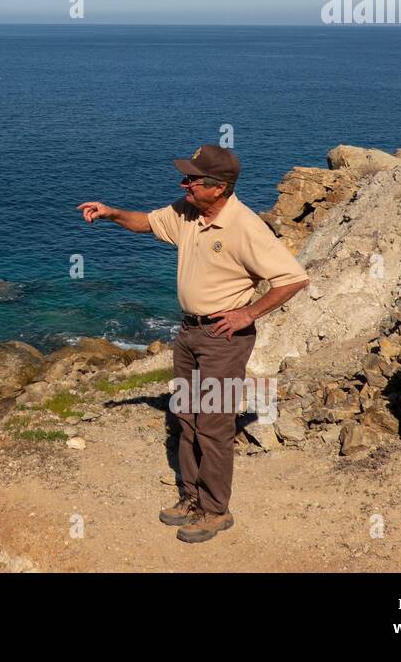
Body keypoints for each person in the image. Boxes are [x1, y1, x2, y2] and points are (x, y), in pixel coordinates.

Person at [77, 144, 309, 543]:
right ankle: (190, 497)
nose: (183, 183)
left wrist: (247, 313)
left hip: (223, 338)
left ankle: (215, 511)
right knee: (185, 415)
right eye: (186, 177)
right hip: (188, 333)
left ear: (218, 188)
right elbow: (147, 223)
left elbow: (292, 277)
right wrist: (112, 213)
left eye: (192, 179)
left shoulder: (245, 227)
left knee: (214, 425)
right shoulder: (189, 212)